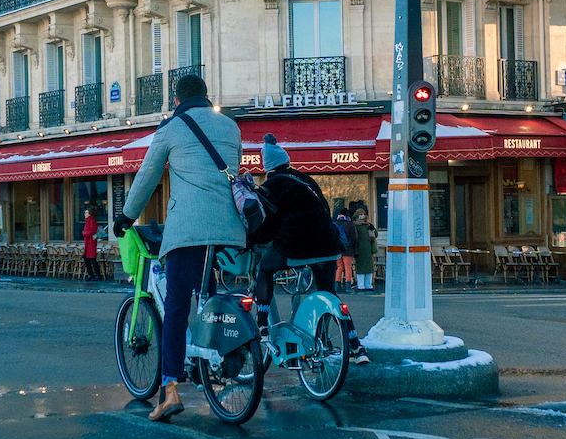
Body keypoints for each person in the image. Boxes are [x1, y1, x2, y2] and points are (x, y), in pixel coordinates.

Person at [115, 74, 245, 421]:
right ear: (206, 96)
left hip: (188, 229)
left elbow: (146, 177)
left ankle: (170, 389)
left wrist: (126, 217)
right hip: (228, 229)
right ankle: (218, 352)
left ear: (176, 100)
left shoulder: (171, 129)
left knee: (175, 306)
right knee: (209, 295)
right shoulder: (231, 127)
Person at [251, 136, 370, 364]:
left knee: (265, 269)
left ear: (267, 168)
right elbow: (324, 209)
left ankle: (262, 324)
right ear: (287, 162)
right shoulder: (307, 180)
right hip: (328, 242)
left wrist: (255, 239)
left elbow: (266, 227)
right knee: (329, 292)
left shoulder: (269, 187)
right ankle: (355, 346)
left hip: (296, 244)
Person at [351, 206, 378, 292]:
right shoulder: (356, 226)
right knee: (360, 269)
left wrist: (373, 229)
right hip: (360, 249)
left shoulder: (369, 225)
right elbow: (355, 239)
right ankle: (361, 285)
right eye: (361, 214)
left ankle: (368, 285)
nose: (363, 216)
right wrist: (355, 251)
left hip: (369, 250)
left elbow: (375, 235)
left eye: (364, 214)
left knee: (369, 269)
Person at [81, 206, 101, 281]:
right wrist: (85, 233)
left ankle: (97, 274)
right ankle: (91, 274)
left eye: (86, 213)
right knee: (86, 259)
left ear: (90, 214)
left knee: (92, 259)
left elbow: (92, 231)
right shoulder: (87, 221)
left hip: (91, 243)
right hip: (87, 243)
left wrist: (85, 233)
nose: (85, 214)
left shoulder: (92, 221)